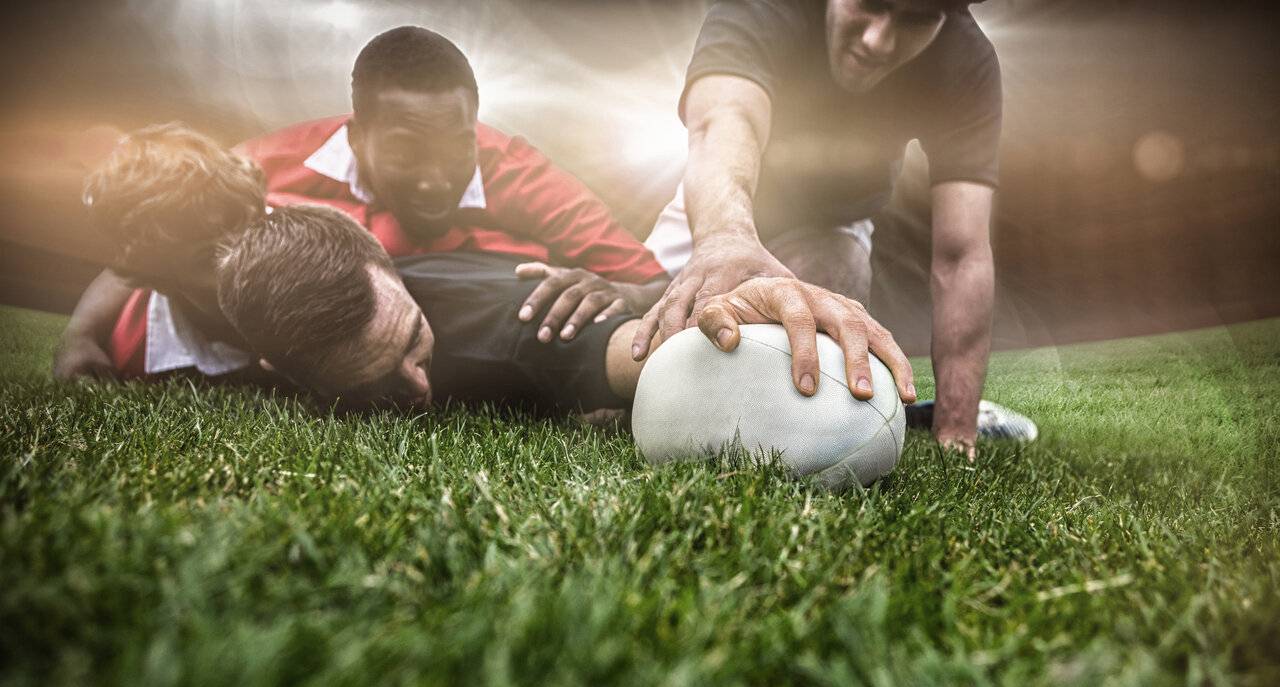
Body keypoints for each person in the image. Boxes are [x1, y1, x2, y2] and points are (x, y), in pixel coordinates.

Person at [54, 26, 667, 381]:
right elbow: (151, 235)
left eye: (455, 149)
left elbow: (652, 281)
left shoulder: (519, 176)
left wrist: (623, 293)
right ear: (356, 135)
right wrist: (80, 336)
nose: (433, 181)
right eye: (405, 153)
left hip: (460, 301)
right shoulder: (268, 165)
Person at [633, 0, 1036, 457]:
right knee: (622, 367)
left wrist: (956, 429)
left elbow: (961, 254)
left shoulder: (965, 58)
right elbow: (723, 121)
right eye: (870, 4)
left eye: (915, 20)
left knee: (802, 348)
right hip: (720, 203)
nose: (877, 41)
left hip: (833, 223)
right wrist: (724, 237)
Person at [215, 204, 917, 416]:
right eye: (374, 387)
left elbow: (649, 354)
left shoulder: (521, 320)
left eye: (413, 344)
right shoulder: (239, 349)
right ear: (285, 367)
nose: (420, 389)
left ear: (387, 261)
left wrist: (745, 307)